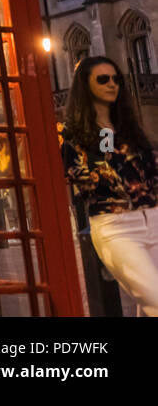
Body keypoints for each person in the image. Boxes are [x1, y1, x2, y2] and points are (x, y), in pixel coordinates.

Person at [61, 55, 158, 316]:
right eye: (103, 79)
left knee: (150, 303)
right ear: (85, 86)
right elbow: (98, 168)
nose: (112, 84)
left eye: (116, 79)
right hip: (118, 228)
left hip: (154, 219)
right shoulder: (74, 135)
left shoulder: (128, 128)